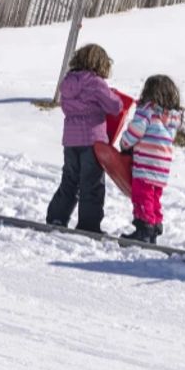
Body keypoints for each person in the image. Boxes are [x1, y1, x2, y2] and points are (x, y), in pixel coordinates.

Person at [46, 44, 123, 232]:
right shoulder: (96, 83)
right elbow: (115, 107)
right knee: (91, 184)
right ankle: (88, 225)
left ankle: (57, 217)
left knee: (70, 181)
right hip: (92, 142)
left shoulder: (67, 82)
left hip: (71, 141)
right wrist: (112, 95)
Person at [117, 75, 183, 244]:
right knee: (153, 197)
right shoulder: (172, 117)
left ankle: (144, 229)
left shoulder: (147, 110)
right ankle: (155, 225)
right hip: (162, 166)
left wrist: (125, 143)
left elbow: (136, 130)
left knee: (141, 195)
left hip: (146, 163)